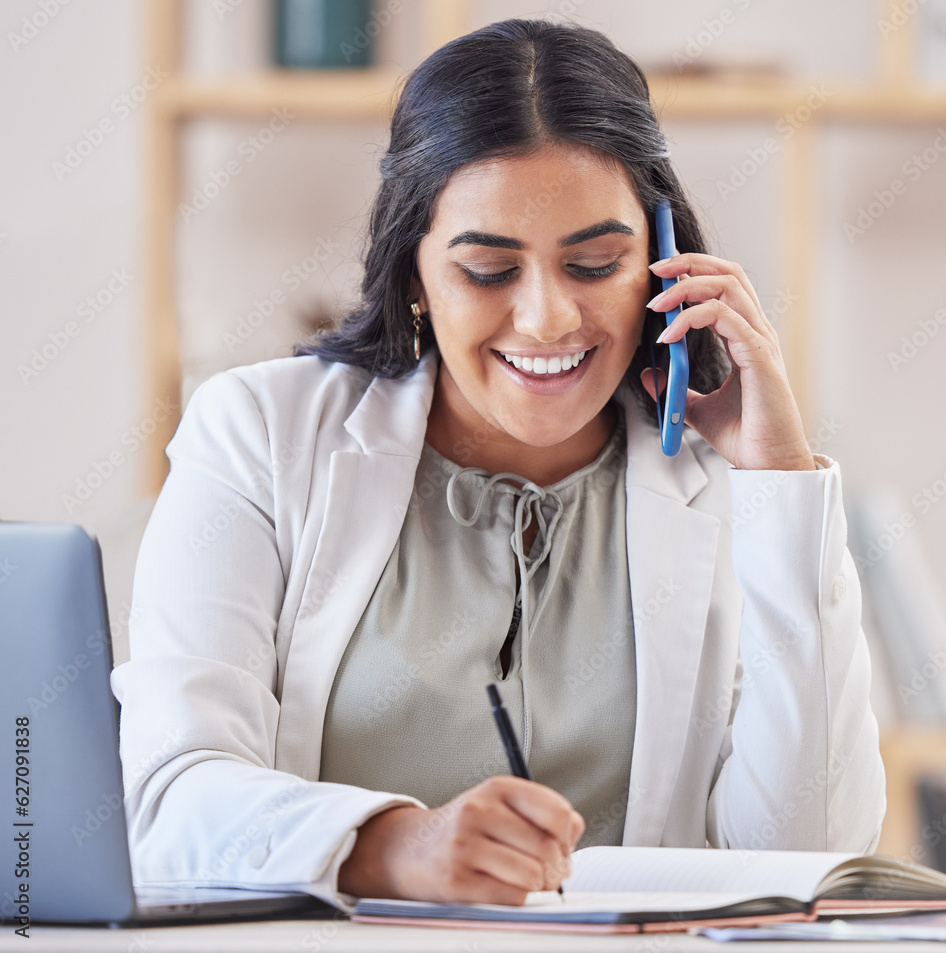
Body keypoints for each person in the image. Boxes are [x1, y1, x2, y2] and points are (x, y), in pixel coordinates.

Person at [111, 18, 885, 911]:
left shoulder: (725, 484)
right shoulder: (260, 434)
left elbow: (809, 859)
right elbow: (164, 800)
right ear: (414, 274)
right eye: (488, 270)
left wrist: (781, 487)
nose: (549, 319)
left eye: (596, 263)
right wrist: (392, 847)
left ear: (664, 263)